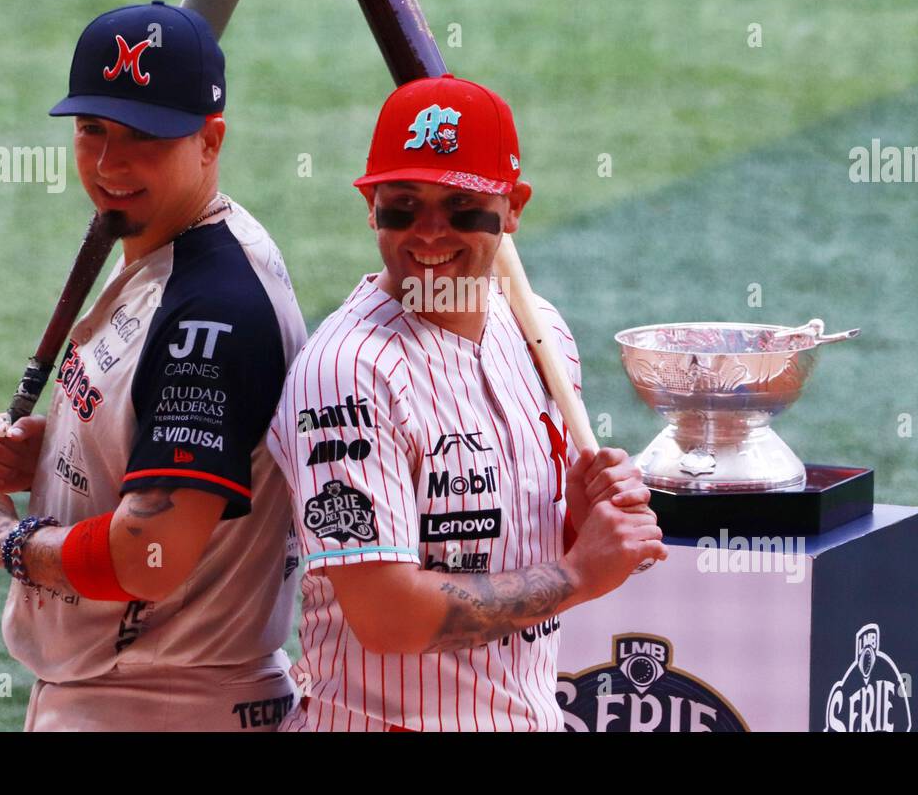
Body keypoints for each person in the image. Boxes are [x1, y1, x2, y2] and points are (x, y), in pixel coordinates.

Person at [0, 1, 307, 731]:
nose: (109, 165)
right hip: (135, 693)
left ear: (210, 140)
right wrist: (56, 459)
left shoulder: (210, 310)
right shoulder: (163, 247)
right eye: (91, 130)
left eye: (143, 138)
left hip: (163, 704)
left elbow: (152, 553)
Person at [266, 73, 666, 731]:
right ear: (369, 204)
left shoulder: (542, 336)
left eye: (460, 203)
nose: (429, 232)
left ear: (513, 207)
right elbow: (387, 616)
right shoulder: (348, 373)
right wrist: (579, 573)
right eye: (403, 202)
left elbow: (515, 547)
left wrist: (579, 520)